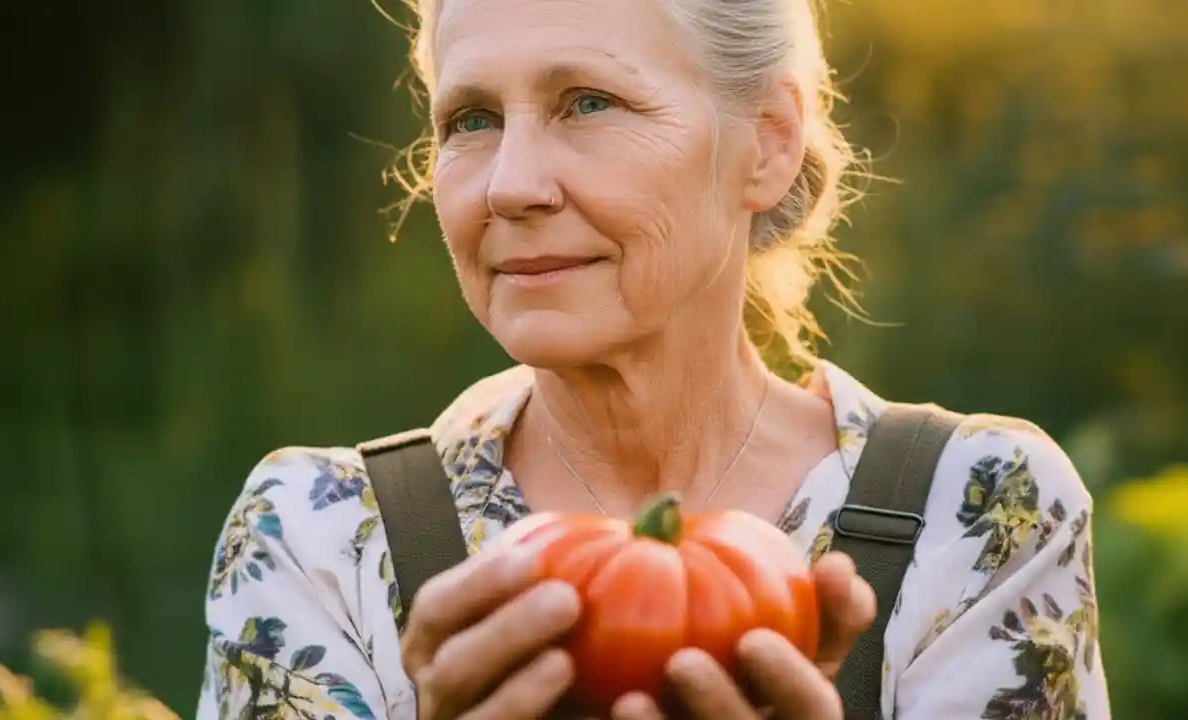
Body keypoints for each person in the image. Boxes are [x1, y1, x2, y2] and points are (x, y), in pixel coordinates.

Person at [197, 0, 1110, 717]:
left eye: (589, 102)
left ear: (767, 143)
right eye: (470, 118)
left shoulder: (981, 511)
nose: (511, 184)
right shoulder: (318, 539)